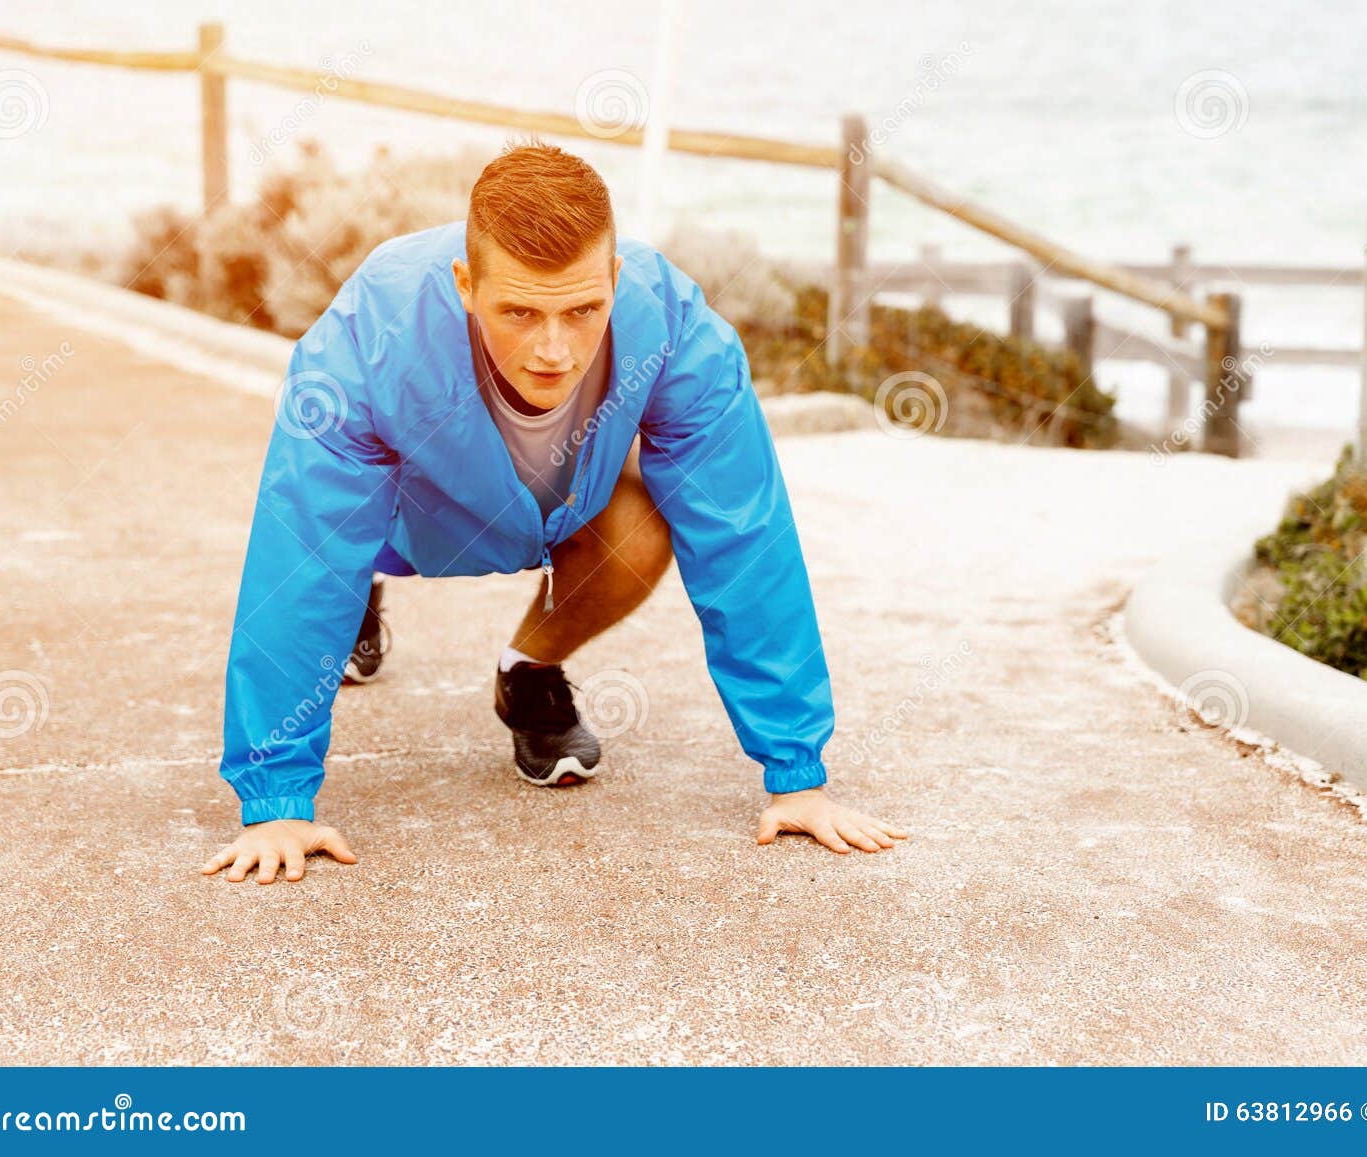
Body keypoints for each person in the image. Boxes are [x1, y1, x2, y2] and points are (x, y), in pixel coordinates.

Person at [203, 140, 906, 885]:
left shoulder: (671, 324)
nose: (553, 349)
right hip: (400, 522)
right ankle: (362, 604)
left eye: (582, 310)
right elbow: (304, 553)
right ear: (465, 285)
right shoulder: (365, 343)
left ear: (615, 279)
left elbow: (743, 532)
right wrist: (277, 798)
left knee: (651, 517)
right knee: (335, 568)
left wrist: (797, 772)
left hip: (564, 512)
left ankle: (529, 670)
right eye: (519, 311)